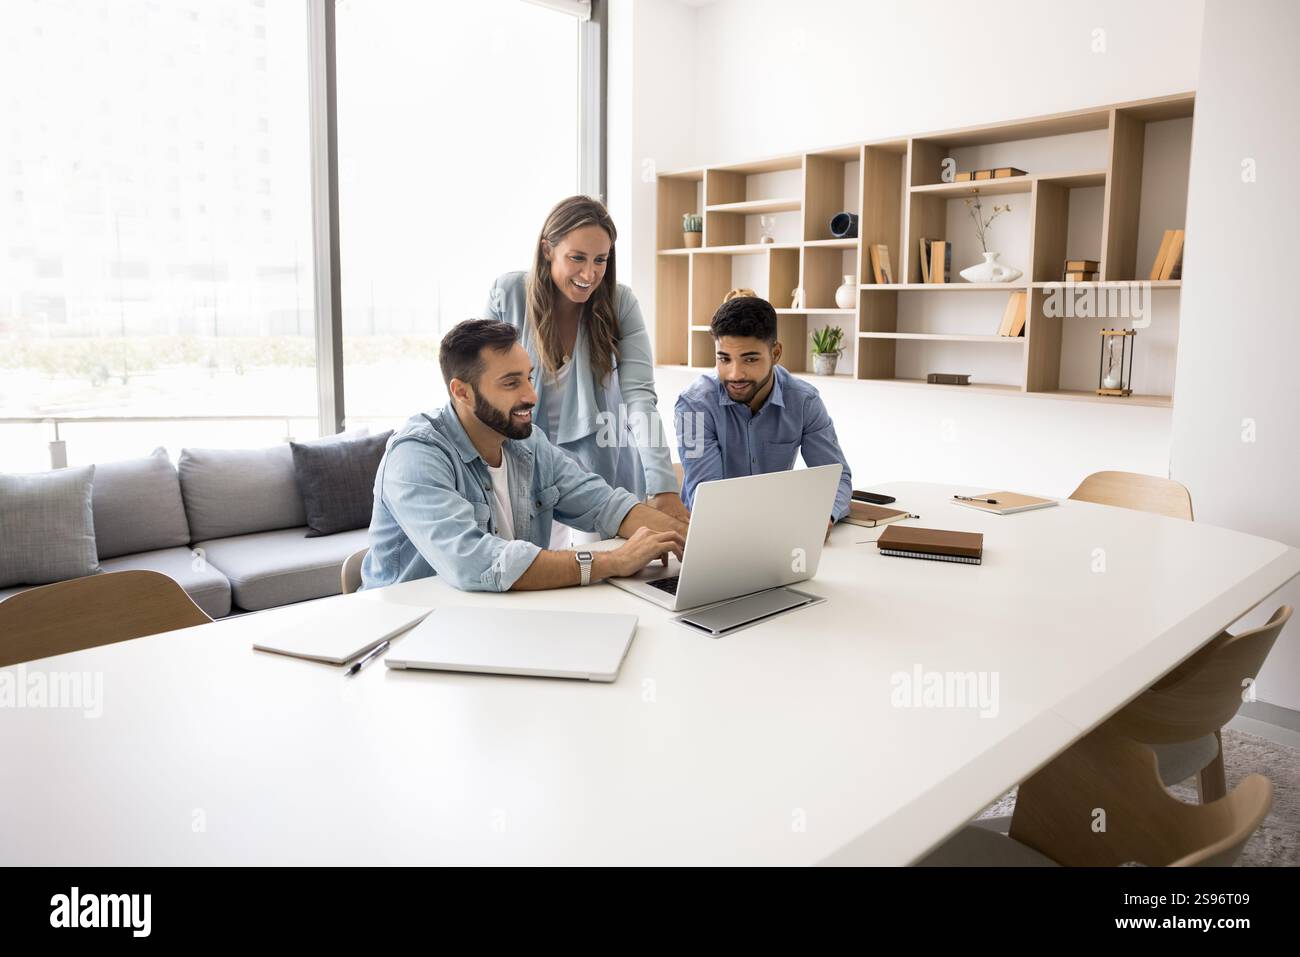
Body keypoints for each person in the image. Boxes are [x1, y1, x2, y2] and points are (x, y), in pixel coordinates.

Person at [361, 319, 686, 592]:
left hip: (491, 619)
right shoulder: (416, 455)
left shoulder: (528, 443)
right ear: (461, 391)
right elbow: (476, 563)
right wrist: (613, 561)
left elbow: (605, 504)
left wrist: (694, 542)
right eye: (510, 383)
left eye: (528, 378)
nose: (531, 396)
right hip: (405, 629)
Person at [484, 196, 689, 546]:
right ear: (548, 249)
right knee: (533, 574)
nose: (589, 274)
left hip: (598, 471)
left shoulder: (620, 304)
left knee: (607, 572)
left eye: (601, 260)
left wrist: (664, 487)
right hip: (521, 464)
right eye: (576, 258)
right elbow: (485, 386)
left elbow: (640, 398)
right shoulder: (509, 294)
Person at [674, 296, 853, 532]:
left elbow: (837, 478)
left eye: (750, 359)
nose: (735, 374)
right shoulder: (693, 407)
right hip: (713, 536)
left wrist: (825, 516)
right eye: (724, 359)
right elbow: (706, 500)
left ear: (776, 353)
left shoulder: (804, 402)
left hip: (778, 534)